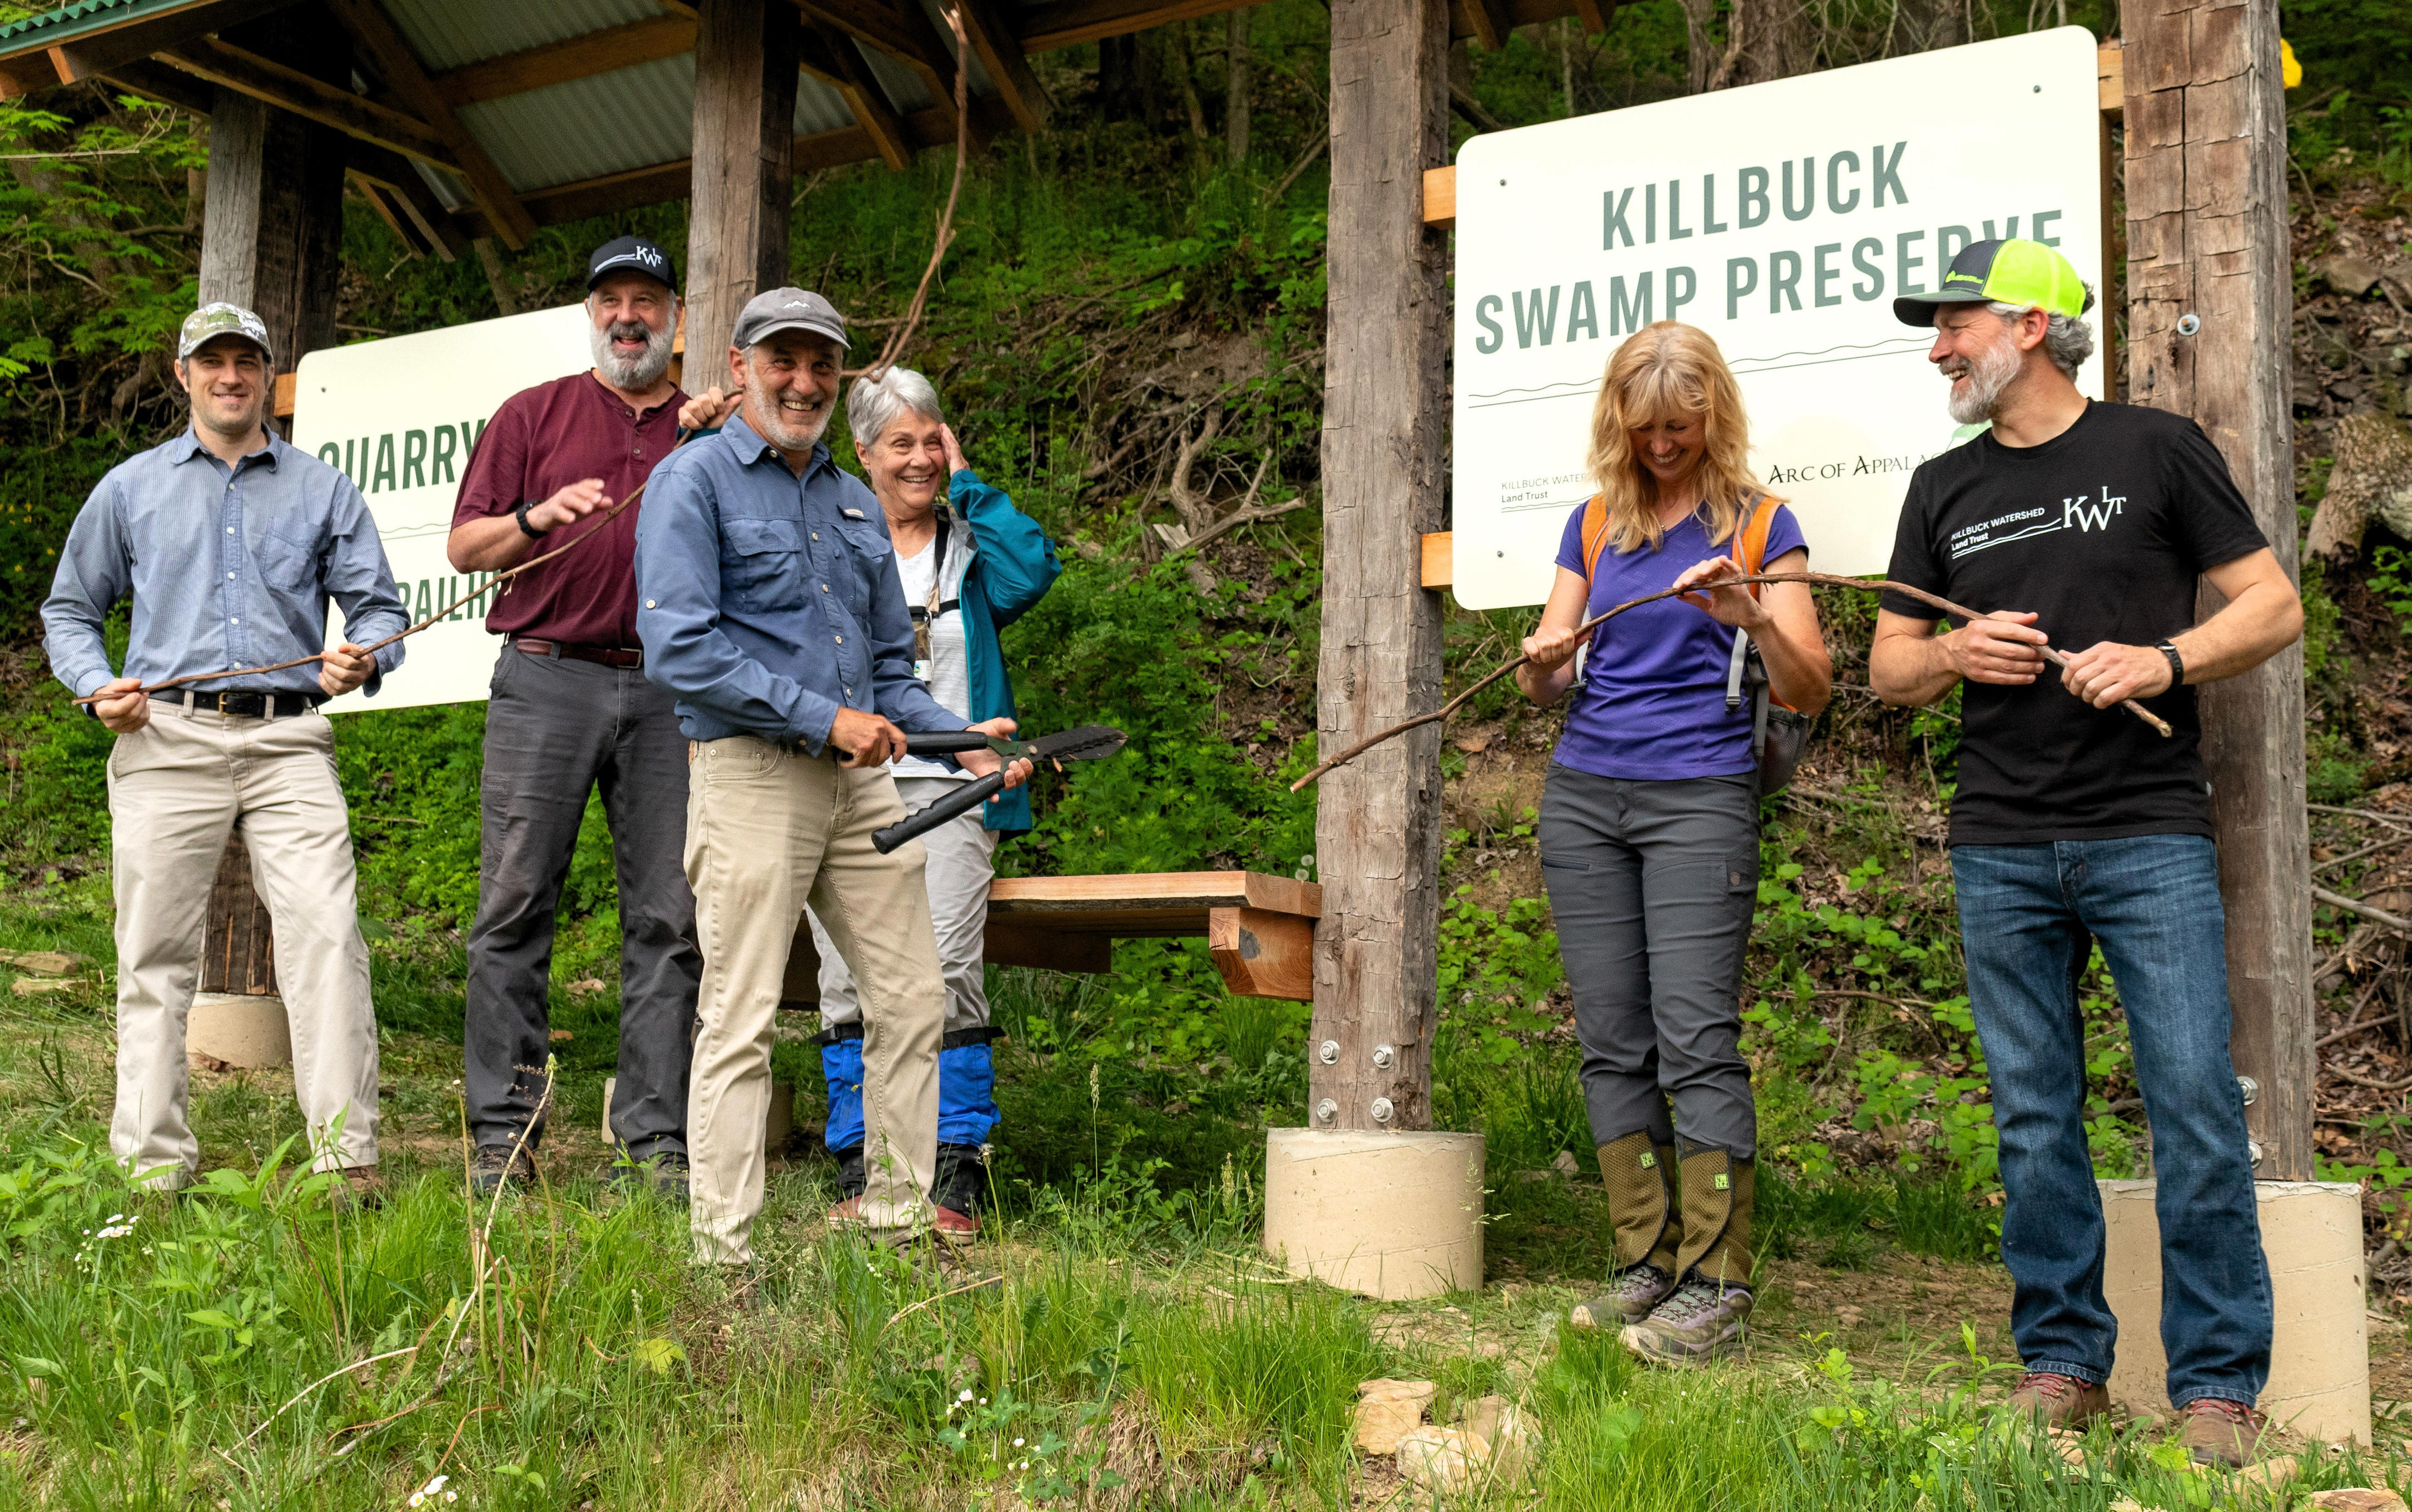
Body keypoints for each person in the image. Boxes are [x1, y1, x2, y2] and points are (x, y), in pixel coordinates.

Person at [1868, 238, 2302, 1466]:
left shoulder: (2153, 450)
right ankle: (2063, 1367)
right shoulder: (1941, 487)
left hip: (2146, 837)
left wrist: (2164, 660)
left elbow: (2272, 603)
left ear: (2029, 323)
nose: (1938, 346)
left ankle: (2216, 1389)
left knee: (2195, 1108)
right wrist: (1953, 655)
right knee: (2032, 1120)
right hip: (1999, 843)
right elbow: (1889, 667)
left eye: (1954, 324)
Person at [633, 288, 1032, 1265]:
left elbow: (890, 676)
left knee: (912, 998)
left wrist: (961, 742)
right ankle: (722, 1250)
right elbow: (677, 647)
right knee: (741, 1014)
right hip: (752, 776)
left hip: (861, 790)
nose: (804, 382)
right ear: (740, 366)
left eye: (822, 364)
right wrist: (827, 719)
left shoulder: (853, 502)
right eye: (785, 361)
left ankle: (895, 1217)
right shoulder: (692, 484)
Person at [1515, 321, 1831, 1365]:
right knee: (1613, 1036)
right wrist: (1541, 659)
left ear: (1714, 418)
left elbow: (1810, 686)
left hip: (1699, 797)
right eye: (1645, 427)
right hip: (1584, 795)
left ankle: (1717, 1280)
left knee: (1695, 1035)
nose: (1663, 445)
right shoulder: (1595, 524)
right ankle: (1643, 1260)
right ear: (1620, 421)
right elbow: (1546, 684)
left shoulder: (1759, 524)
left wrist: (1752, 614)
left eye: (1682, 427)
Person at [42, 303, 407, 1199]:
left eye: (246, 360)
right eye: (213, 361)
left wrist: (364, 655)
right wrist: (97, 688)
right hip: (165, 736)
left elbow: (383, 614)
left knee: (327, 940)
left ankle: (345, 1161)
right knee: (155, 954)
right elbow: (69, 613)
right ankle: (152, 1169)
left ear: (267, 374)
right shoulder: (130, 489)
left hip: (290, 739)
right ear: (184, 375)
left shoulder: (323, 489)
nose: (230, 376)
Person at [446, 236, 719, 1199]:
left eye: (647, 300)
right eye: (612, 301)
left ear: (675, 318)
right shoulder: (534, 414)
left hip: (673, 692)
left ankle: (653, 1145)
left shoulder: (709, 430)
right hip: (546, 678)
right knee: (514, 908)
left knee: (671, 919)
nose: (628, 317)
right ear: (590, 316)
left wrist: (713, 437)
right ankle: (501, 1139)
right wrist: (536, 518)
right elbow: (463, 547)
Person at [803, 367, 1061, 1217]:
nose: (917, 459)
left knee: (945, 968)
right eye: (900, 444)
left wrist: (970, 480)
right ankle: (863, 1160)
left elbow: (1035, 571)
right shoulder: (835, 536)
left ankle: (953, 1163)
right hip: (848, 779)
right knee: (844, 976)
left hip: (957, 782)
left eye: (930, 440)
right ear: (864, 453)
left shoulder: (968, 542)